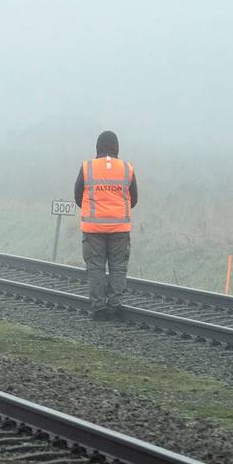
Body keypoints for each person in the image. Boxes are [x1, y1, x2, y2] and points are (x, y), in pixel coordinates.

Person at [73, 131, 138, 321]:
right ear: (117, 148)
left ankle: (99, 309)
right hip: (120, 228)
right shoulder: (127, 168)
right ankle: (115, 307)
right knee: (118, 267)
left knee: (95, 268)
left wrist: (91, 209)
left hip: (93, 229)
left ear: (97, 148)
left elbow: (77, 195)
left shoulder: (87, 167)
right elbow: (133, 199)